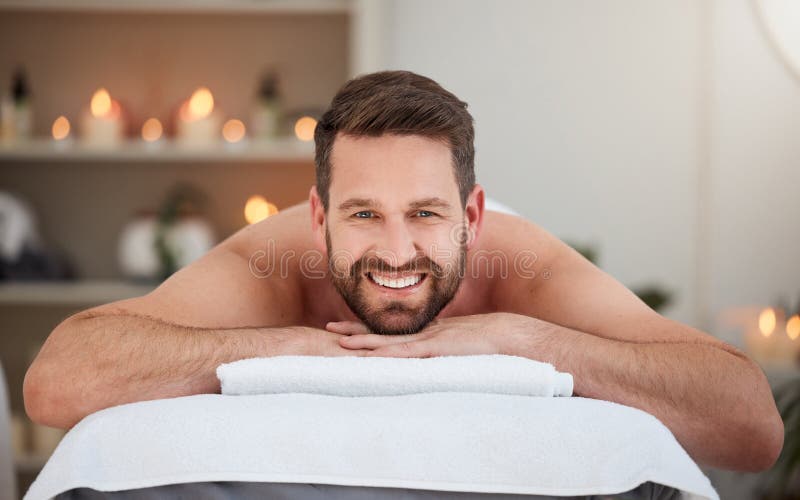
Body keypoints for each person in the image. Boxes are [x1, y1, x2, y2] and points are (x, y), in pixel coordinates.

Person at [24, 70, 781, 472]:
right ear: (317, 219)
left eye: (424, 213)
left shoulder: (526, 272)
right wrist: (275, 344)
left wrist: (526, 338)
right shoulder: (270, 266)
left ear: (472, 217)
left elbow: (750, 424)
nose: (394, 251)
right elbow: (58, 380)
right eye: (362, 215)